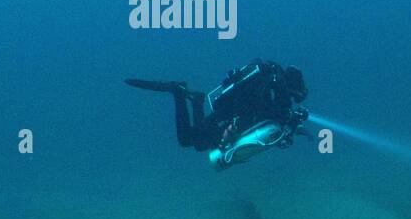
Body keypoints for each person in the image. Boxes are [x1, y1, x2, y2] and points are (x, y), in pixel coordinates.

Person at [126, 60, 309, 170]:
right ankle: (177, 91)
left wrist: (291, 123)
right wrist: (290, 118)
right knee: (189, 140)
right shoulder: (278, 84)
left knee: (197, 142)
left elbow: (267, 112)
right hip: (230, 118)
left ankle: (195, 100)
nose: (294, 98)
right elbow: (268, 109)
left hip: (229, 116)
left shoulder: (272, 78)